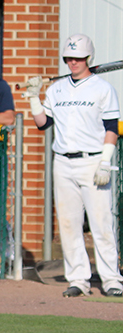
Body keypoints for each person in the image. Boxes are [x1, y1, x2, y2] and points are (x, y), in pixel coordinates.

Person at [25, 34, 123, 298]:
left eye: (78, 58)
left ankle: (112, 278)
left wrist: (105, 161)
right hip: (63, 162)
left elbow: (112, 128)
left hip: (93, 161)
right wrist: (34, 97)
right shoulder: (57, 89)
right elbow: (42, 123)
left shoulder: (102, 88)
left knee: (102, 223)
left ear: (88, 58)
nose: (73, 63)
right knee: (69, 223)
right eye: (69, 58)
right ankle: (78, 278)